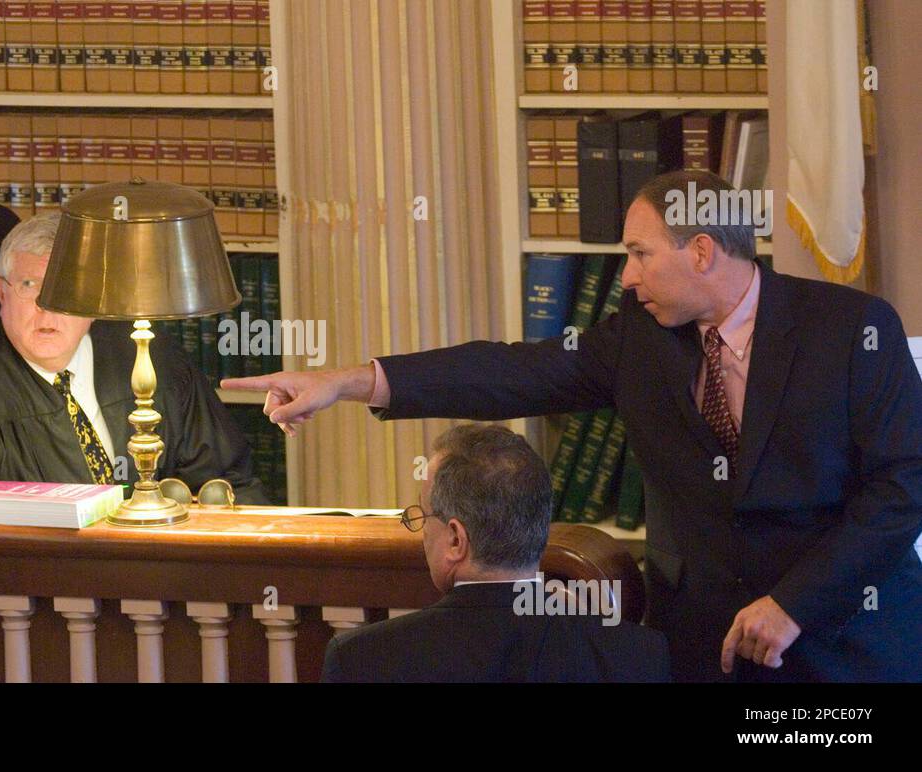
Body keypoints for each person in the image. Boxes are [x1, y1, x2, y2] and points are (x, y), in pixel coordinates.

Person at [228, 170, 922, 682]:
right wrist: (345, 381)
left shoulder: (852, 330)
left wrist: (792, 605)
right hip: (702, 654)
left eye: (640, 253)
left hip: (845, 644)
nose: (626, 276)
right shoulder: (640, 342)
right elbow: (507, 373)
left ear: (703, 252)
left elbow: (903, 487)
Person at [0, 214, 268, 507]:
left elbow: (229, 483)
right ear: (2, 293)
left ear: (93, 301)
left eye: (65, 290)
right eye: (31, 285)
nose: (47, 308)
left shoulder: (151, 362)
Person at [321, 424, 670, 683]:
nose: (422, 532)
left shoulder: (362, 660)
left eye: (424, 516)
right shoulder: (637, 655)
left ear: (456, 539)